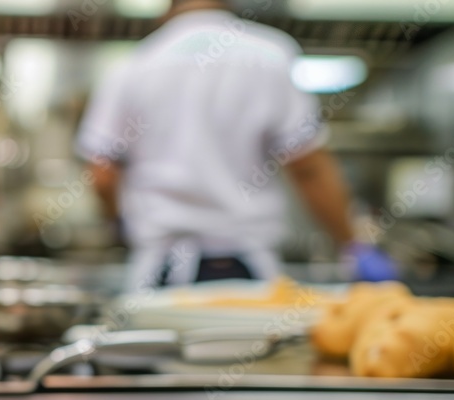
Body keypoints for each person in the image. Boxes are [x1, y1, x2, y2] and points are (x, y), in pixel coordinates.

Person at [75, 0, 398, 291]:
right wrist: (353, 246)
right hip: (248, 273)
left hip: (159, 274)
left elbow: (102, 175)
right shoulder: (270, 55)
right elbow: (308, 167)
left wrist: (117, 224)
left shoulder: (133, 66)